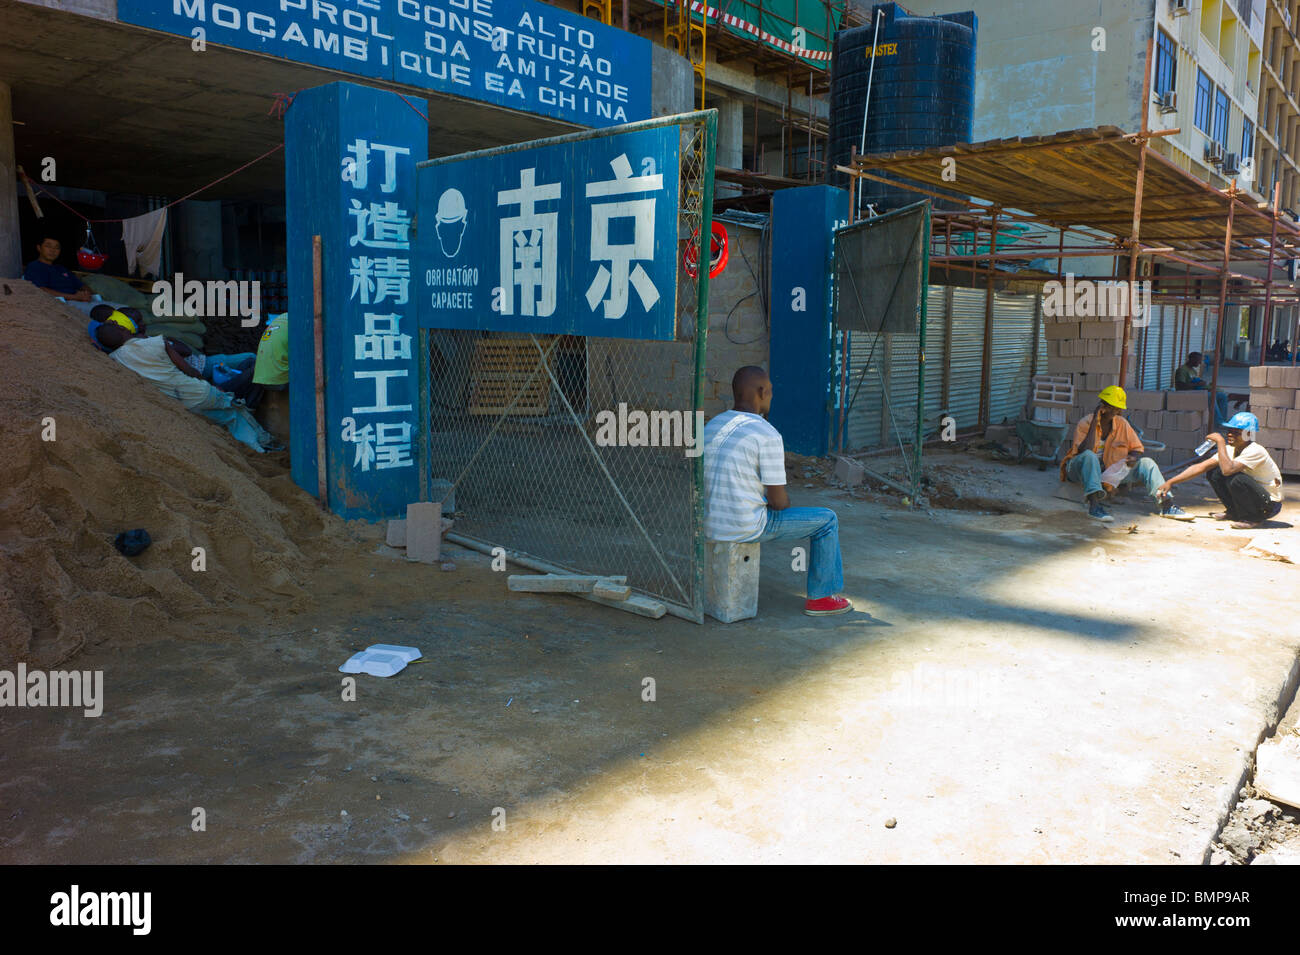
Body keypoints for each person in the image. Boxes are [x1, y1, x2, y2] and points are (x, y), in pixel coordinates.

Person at [702, 366, 852, 616]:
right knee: (827, 520)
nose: (771, 397)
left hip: (709, 523)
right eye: (770, 392)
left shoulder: (712, 426)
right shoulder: (766, 433)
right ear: (762, 392)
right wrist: (773, 499)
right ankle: (822, 597)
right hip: (744, 527)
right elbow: (780, 503)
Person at [90, 320, 277, 453]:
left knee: (228, 419)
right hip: (200, 391)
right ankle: (263, 447)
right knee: (237, 414)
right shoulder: (156, 342)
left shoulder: (115, 359)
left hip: (184, 404)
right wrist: (208, 385)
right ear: (124, 330)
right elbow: (188, 369)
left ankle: (255, 448)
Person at [1060, 385, 1192, 523]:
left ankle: (1166, 505)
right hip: (1079, 470)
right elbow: (1083, 451)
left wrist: (1133, 457)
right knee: (1089, 456)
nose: (1115, 411)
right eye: (1111, 407)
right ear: (1102, 406)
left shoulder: (1122, 424)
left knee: (1147, 463)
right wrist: (1095, 421)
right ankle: (1094, 506)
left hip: (1107, 472)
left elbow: (1137, 448)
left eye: (1117, 408)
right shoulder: (1086, 423)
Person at [1156, 412, 1284, 529]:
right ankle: (1234, 512)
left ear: (1249, 434)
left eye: (1236, 432)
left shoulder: (1256, 450)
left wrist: (1220, 441)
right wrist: (1171, 482)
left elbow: (1228, 470)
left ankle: (1253, 518)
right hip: (1256, 498)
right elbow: (1201, 467)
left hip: (1269, 505)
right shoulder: (1229, 449)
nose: (1230, 434)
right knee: (1214, 473)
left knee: (1236, 478)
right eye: (1229, 431)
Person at [23, 235, 92, 301]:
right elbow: (40, 290)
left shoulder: (61, 269)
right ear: (39, 248)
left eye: (57, 247)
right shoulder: (34, 267)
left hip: (79, 300)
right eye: (48, 246)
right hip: (60, 304)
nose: (52, 250)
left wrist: (86, 293)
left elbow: (81, 285)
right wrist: (75, 297)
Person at [1174, 351, 1230, 425]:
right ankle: (1218, 421)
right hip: (1187, 394)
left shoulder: (1193, 371)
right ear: (1192, 359)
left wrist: (1202, 384)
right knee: (1210, 396)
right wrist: (1197, 384)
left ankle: (1223, 420)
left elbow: (1194, 382)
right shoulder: (1182, 370)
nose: (1200, 363)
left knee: (1222, 396)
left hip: (1195, 392)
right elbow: (1181, 386)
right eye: (1198, 360)